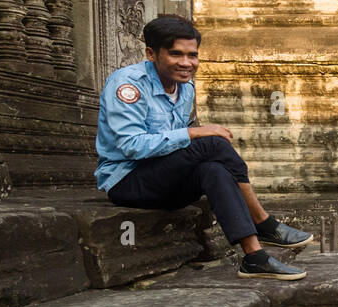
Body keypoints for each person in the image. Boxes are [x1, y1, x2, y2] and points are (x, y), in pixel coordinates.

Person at [95, 14, 314, 280]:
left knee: (213, 170)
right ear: (151, 53)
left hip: (165, 181)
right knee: (211, 143)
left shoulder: (185, 88)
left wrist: (194, 136)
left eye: (193, 55)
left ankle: (254, 258)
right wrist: (195, 133)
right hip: (128, 182)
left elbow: (177, 147)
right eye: (176, 54)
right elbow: (131, 146)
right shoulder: (128, 84)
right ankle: (264, 222)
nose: (187, 63)